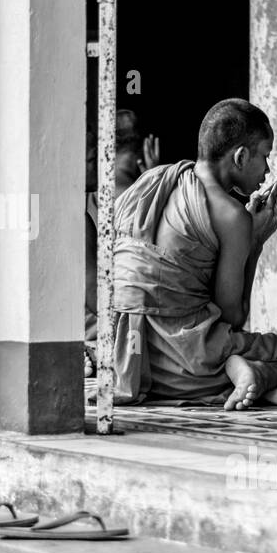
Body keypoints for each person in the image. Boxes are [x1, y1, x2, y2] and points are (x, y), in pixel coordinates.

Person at [108, 98, 277, 409]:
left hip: (128, 362)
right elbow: (232, 317)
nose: (267, 171)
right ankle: (262, 376)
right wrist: (255, 241)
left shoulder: (151, 182)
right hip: (191, 363)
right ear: (241, 156)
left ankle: (258, 387)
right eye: (265, 157)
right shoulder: (231, 215)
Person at [84, 110, 160, 375]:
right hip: (133, 330)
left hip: (95, 329)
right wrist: (155, 184)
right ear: (148, 145)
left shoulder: (86, 203)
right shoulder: (155, 197)